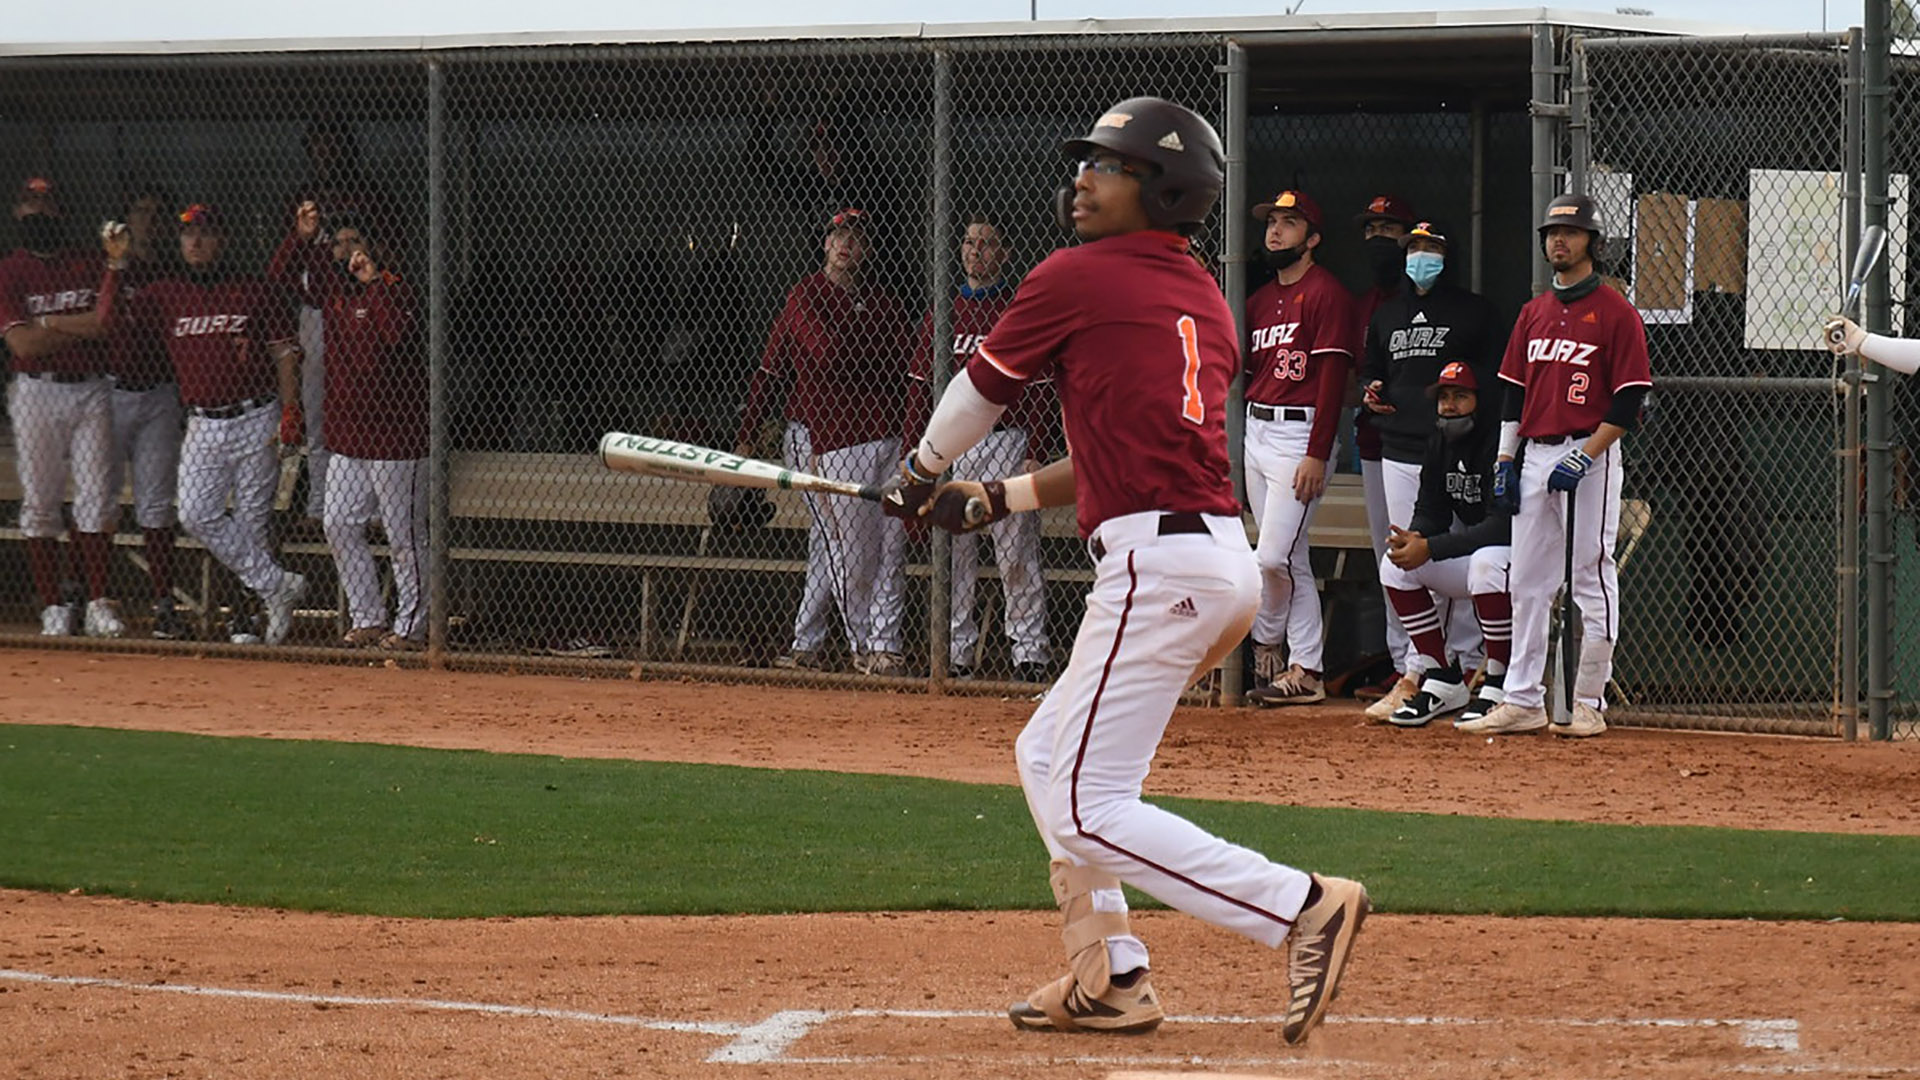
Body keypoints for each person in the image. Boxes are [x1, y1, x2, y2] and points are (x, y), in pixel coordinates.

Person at [881, 97, 1368, 1047]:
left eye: (1105, 167)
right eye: (1085, 165)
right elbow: (1119, 447)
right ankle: (1111, 977)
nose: (1081, 179)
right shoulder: (1202, 298)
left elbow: (980, 391)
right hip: (1208, 558)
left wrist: (922, 471)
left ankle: (1299, 905)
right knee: (1043, 757)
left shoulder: (1076, 274)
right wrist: (997, 500)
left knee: (1084, 803)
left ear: (1161, 188)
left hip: (1158, 568)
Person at [1462, 194, 1651, 738]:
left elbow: (1628, 400)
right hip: (1535, 455)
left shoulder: (1617, 312)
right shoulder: (1533, 312)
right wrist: (1504, 459)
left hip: (1589, 454)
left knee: (1592, 574)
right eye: (1551, 233)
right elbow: (1513, 395)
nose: (1558, 241)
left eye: (1570, 233)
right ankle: (1523, 698)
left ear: (1593, 243)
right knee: (1526, 582)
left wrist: (1587, 452)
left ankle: (1590, 700)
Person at [115, 204, 309, 645]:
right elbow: (117, 319)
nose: (196, 242)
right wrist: (118, 261)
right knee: (196, 514)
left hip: (256, 414)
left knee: (254, 523)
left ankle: (246, 620)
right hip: (203, 422)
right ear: (179, 243)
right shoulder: (166, 293)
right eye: (188, 235)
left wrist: (291, 408)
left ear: (222, 239)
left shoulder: (252, 290)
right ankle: (277, 586)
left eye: (205, 233)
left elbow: (284, 353)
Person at [735, 208, 912, 674]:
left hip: (888, 435)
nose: (844, 243)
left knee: (882, 547)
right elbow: (823, 354)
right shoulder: (805, 295)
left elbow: (903, 362)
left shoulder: (884, 301)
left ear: (868, 249)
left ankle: (840, 642)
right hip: (828, 439)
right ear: (825, 244)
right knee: (849, 550)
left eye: (854, 235)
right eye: (837, 235)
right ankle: (862, 645)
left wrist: (855, 339)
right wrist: (746, 438)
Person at [1359, 220, 1507, 720]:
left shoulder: (1475, 312)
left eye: (1431, 247)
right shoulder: (1386, 316)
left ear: (1449, 254)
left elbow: (1493, 381)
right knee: (1401, 554)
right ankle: (1420, 671)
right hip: (1403, 446)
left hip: (1464, 447)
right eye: (1414, 247)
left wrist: (1431, 543)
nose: (1421, 255)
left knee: (1481, 558)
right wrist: (1373, 390)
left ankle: (1477, 668)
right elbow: (1371, 368)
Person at [904, 214, 1054, 681]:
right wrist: (917, 452)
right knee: (955, 554)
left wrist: (1039, 445)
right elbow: (917, 388)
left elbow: (1042, 385)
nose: (975, 251)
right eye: (969, 243)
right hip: (954, 448)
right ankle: (956, 654)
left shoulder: (1014, 310)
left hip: (1007, 441)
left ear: (1004, 254)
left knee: (1015, 552)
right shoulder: (943, 313)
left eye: (986, 244)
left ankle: (1030, 653)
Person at [271, 202, 426, 651]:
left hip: (397, 441)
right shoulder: (331, 293)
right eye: (338, 243)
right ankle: (367, 617)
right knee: (337, 523)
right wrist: (301, 238)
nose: (346, 252)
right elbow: (279, 276)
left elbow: (395, 334)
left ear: (374, 249)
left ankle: (411, 627)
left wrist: (373, 282)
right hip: (348, 441)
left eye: (354, 242)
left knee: (404, 537)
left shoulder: (395, 289)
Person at [1240, 188, 1358, 707]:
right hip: (1255, 429)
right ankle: (1303, 667)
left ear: (1312, 238)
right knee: (1291, 558)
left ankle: (1270, 643)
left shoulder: (1327, 293)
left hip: (1298, 433)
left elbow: (1333, 383)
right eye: (1272, 222)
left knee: (1271, 557)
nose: (1275, 231)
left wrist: (1318, 450)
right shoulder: (1258, 301)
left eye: (1289, 223)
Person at [1, 176, 130, 637]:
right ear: (17, 215)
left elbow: (106, 323)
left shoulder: (87, 259)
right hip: (36, 389)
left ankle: (97, 602)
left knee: (98, 497)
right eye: (30, 206)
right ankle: (53, 606)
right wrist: (79, 326)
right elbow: (24, 343)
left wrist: (52, 321)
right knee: (40, 502)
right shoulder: (9, 270)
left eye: (47, 205)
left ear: (62, 213)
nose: (38, 213)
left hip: (91, 388)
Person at [1376, 361, 1514, 727]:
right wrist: (1416, 536)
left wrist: (1432, 548)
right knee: (1394, 564)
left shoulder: (1501, 443)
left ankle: (1499, 681)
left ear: (1480, 401)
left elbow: (1502, 528)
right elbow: (1431, 508)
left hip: (1521, 558)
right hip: (1478, 553)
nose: (1449, 405)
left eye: (1460, 396)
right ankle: (1441, 677)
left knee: (1487, 563)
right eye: (1444, 398)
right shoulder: (1439, 439)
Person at [285, 116, 405, 539]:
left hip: (363, 303)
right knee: (318, 410)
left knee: (368, 401)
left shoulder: (371, 195)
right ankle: (319, 505)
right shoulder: (302, 197)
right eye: (318, 145)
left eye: (332, 144)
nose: (325, 153)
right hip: (318, 309)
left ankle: (371, 511)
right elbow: (287, 263)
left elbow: (392, 249)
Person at [105, 183, 188, 639]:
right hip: (112, 392)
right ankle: (90, 596)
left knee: (155, 504)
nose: (150, 220)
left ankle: (163, 604)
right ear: (127, 217)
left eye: (158, 212)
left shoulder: (176, 270)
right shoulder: (112, 265)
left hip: (159, 395)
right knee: (101, 500)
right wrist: (115, 267)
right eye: (141, 210)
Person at [1348, 194, 1419, 706]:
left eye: (1389, 229)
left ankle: (1436, 661)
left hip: (1426, 449)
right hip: (1374, 443)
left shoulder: (1428, 301)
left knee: (1433, 551)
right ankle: (1402, 665)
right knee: (1387, 555)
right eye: (1371, 229)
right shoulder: (1362, 304)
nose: (1379, 239)